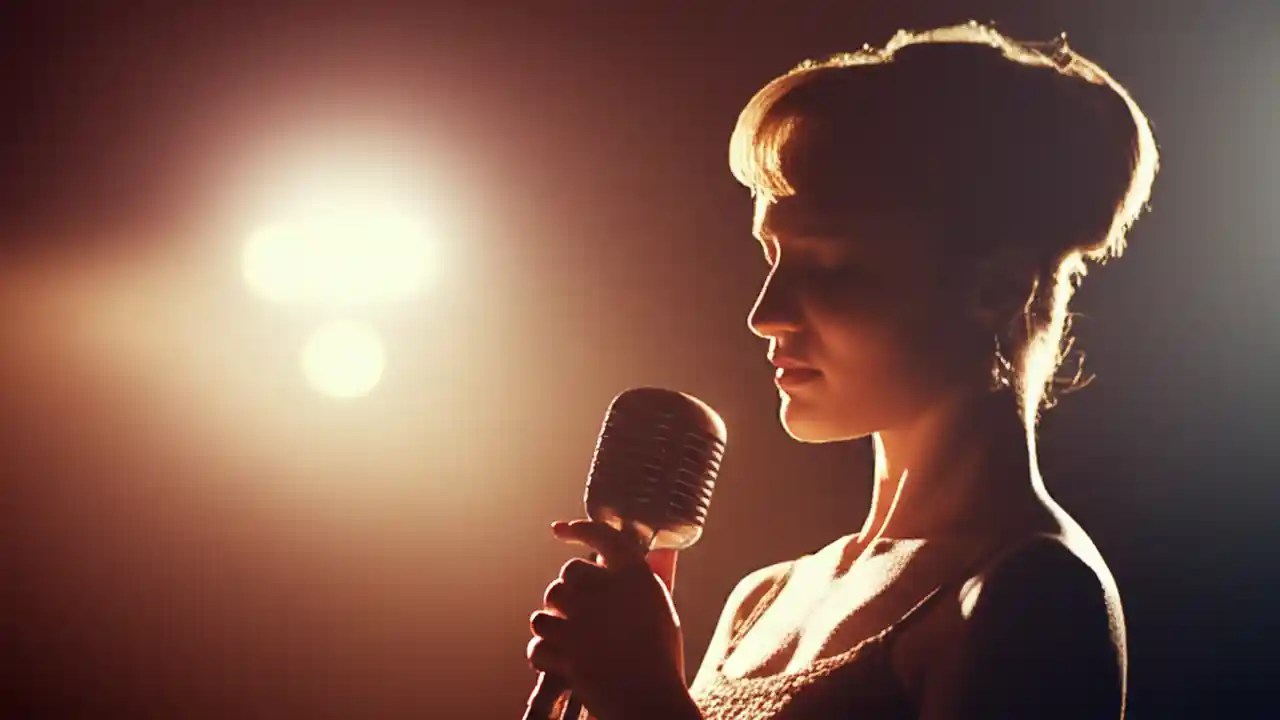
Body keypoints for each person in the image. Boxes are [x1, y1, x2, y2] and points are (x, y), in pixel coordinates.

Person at [527, 21, 1159, 720]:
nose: (764, 314)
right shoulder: (761, 600)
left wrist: (645, 698)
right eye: (773, 259)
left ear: (996, 289)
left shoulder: (1035, 591)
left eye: (829, 267)